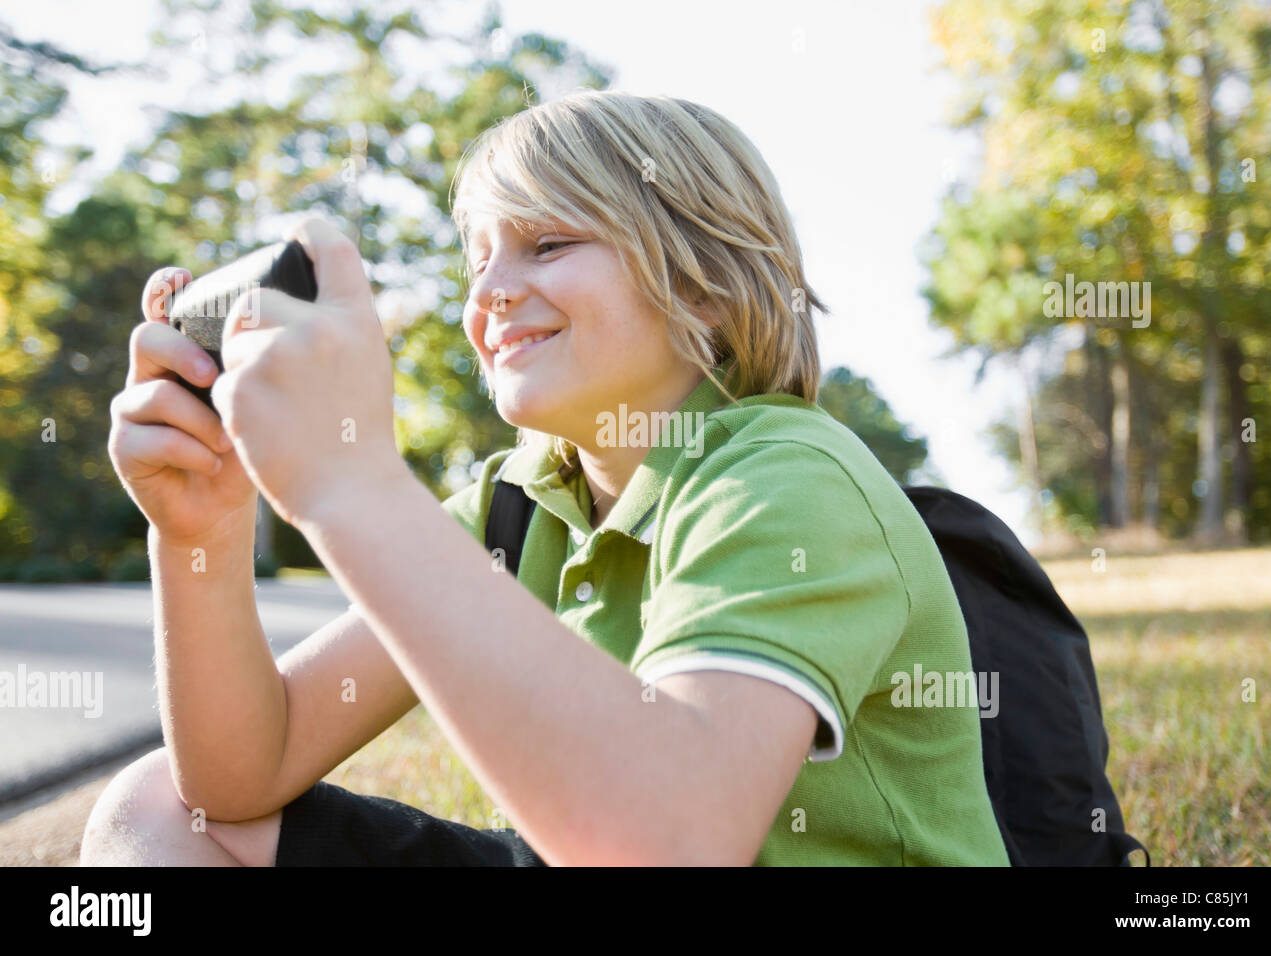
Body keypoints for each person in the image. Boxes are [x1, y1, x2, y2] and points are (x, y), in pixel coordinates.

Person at [83, 90, 1010, 866]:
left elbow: (671, 844)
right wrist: (198, 535)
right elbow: (243, 770)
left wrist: (353, 487)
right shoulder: (517, 501)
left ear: (704, 283)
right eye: (478, 257)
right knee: (161, 810)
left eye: (549, 244)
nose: (487, 291)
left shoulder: (786, 477)